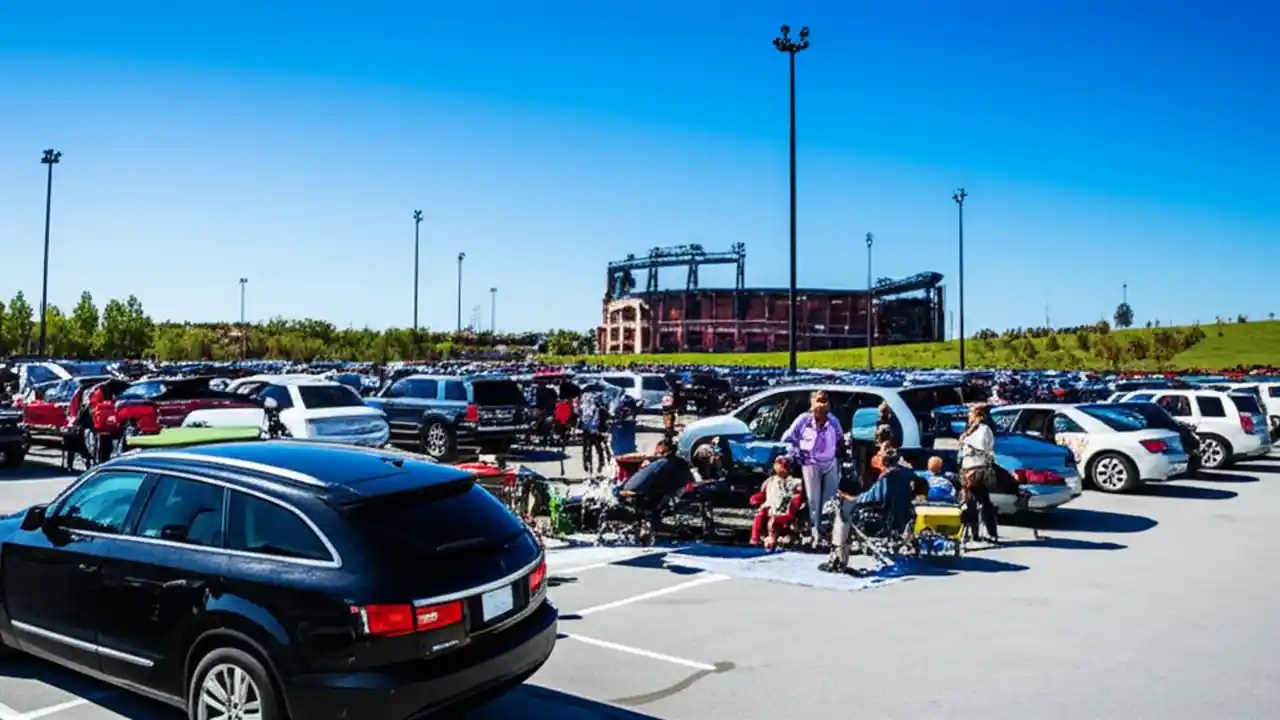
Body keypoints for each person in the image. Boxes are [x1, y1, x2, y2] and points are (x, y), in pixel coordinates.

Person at [781, 390, 844, 546]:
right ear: (812, 403)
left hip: (829, 463)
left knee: (829, 502)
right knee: (813, 501)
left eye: (825, 401)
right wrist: (796, 453)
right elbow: (787, 439)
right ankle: (815, 536)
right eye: (819, 401)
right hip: (810, 464)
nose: (823, 404)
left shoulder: (833, 422)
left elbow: (841, 440)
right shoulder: (803, 421)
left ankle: (828, 536)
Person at [959, 403, 999, 542]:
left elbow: (983, 446)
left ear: (977, 414)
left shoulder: (982, 429)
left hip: (975, 469)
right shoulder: (978, 429)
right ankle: (988, 532)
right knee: (982, 501)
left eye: (970, 413)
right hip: (975, 469)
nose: (968, 416)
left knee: (973, 501)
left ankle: (978, 533)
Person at [750, 456, 802, 550]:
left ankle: (772, 538)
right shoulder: (770, 480)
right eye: (779, 464)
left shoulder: (795, 481)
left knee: (773, 520)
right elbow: (762, 494)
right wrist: (756, 499)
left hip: (784, 511)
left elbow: (798, 495)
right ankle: (754, 540)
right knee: (760, 514)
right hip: (768, 507)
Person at [579, 390, 609, 474]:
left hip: (590, 429)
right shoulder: (597, 404)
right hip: (594, 429)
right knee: (596, 448)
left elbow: (582, 416)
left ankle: (590, 465)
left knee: (589, 448)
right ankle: (596, 464)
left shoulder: (585, 403)